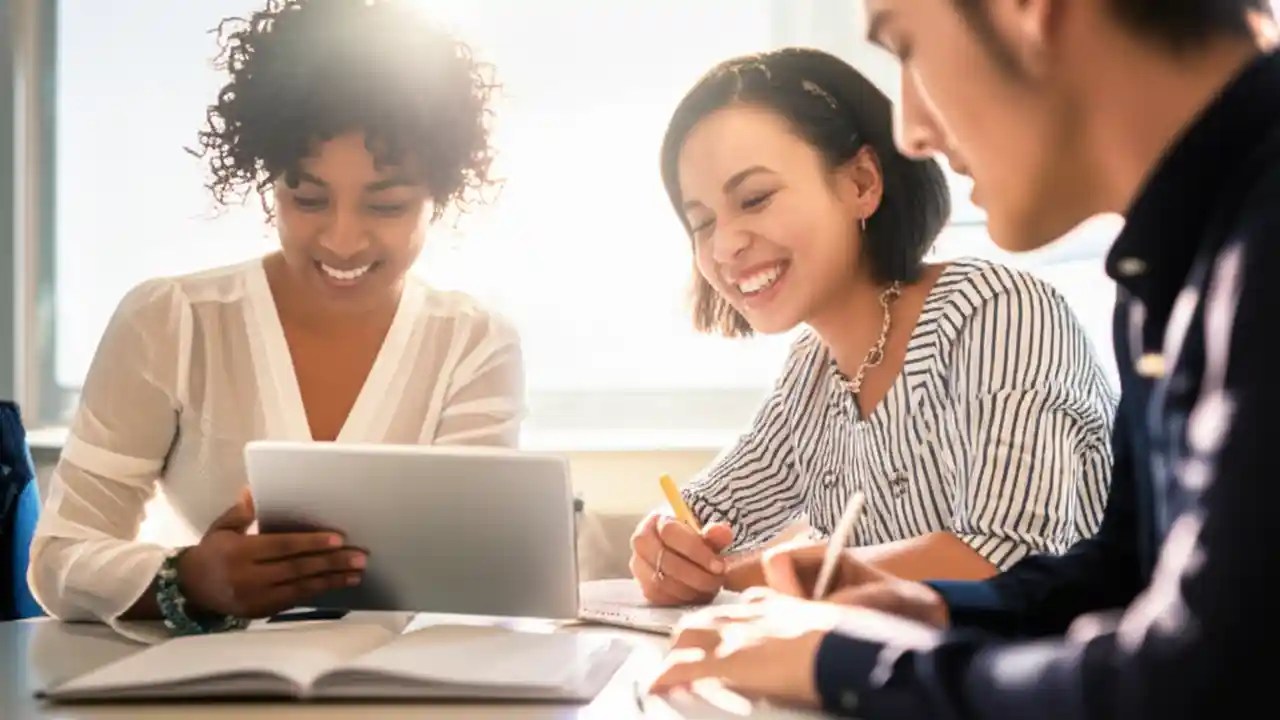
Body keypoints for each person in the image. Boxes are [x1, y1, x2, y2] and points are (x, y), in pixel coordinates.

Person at [647, 0, 1280, 717]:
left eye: (908, 47)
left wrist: (850, 663)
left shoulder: (1255, 250)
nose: (911, 133)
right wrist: (929, 608)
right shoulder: (1165, 266)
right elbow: (1124, 576)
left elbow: (1205, 681)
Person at [28, 0, 523, 638]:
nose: (343, 240)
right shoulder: (172, 322)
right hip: (210, 693)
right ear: (269, 183)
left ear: (440, 195)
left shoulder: (473, 344)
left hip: (398, 693)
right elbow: (59, 558)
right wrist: (192, 581)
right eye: (308, 197)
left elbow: (473, 565)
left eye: (389, 204)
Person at [629, 48, 1116, 607]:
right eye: (703, 222)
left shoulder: (1002, 313)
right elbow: (702, 517)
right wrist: (665, 544)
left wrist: (757, 573)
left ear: (861, 182)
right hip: (904, 684)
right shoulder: (810, 375)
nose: (724, 244)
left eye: (755, 198)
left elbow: (1004, 558)